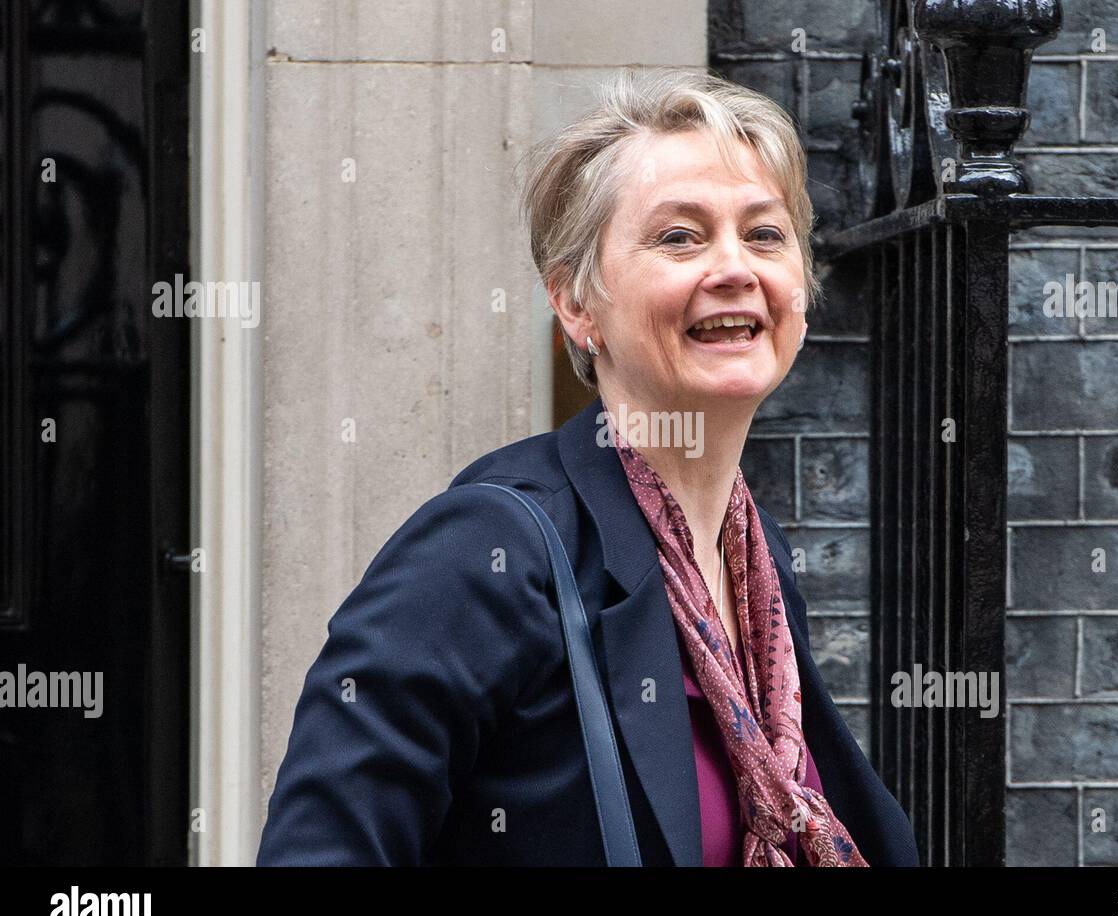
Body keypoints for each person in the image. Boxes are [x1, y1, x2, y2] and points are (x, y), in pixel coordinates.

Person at [256, 67, 919, 867]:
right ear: (576, 303)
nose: (736, 267)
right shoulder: (487, 550)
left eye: (765, 234)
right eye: (680, 236)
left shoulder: (758, 564)